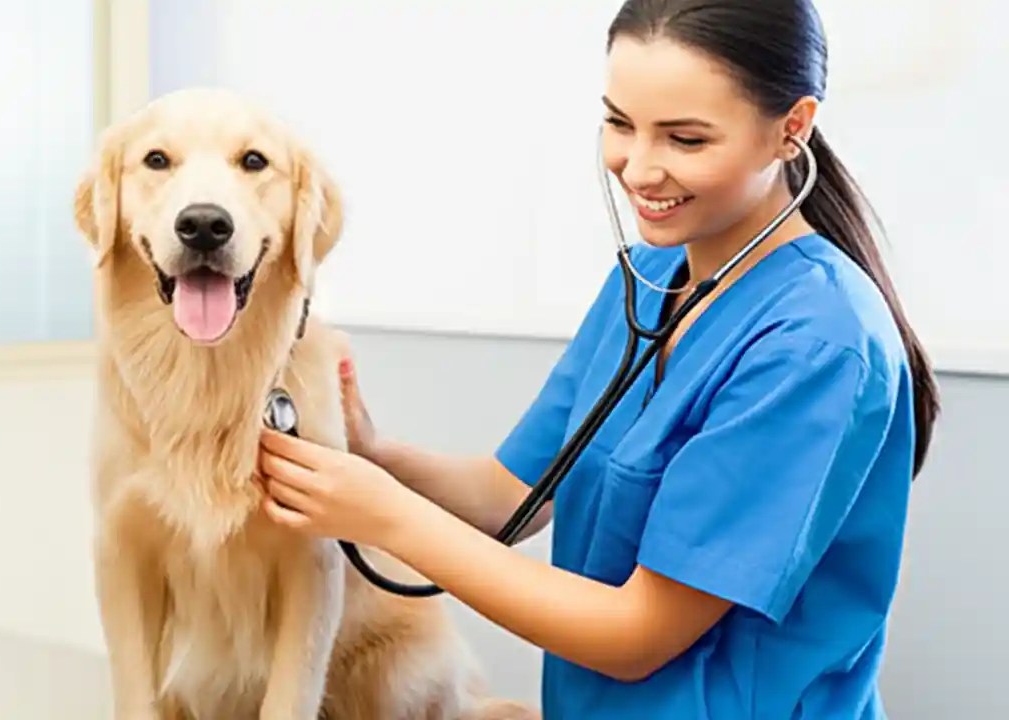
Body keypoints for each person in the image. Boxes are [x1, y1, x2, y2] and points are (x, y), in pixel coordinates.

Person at [254, 0, 940, 717]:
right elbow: (510, 496)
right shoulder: (646, 282)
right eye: (619, 124)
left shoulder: (817, 344)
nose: (639, 168)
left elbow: (635, 634)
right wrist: (372, 454)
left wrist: (383, 516)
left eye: (686, 139)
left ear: (791, 129)